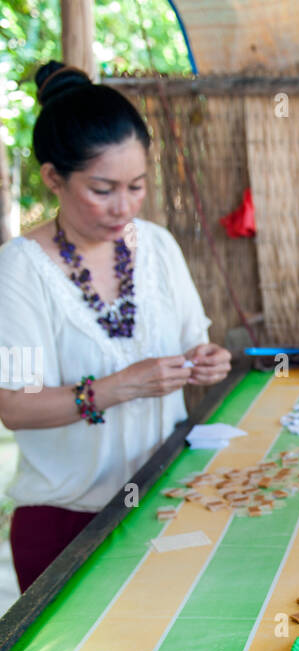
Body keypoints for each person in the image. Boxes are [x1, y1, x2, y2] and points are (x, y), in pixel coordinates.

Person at [0, 61, 232, 591]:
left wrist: (204, 358)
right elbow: (15, 405)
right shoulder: (19, 268)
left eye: (136, 186)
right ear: (54, 178)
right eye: (102, 189)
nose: (122, 207)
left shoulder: (156, 246)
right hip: (65, 520)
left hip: (162, 499)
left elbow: (194, 340)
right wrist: (124, 385)